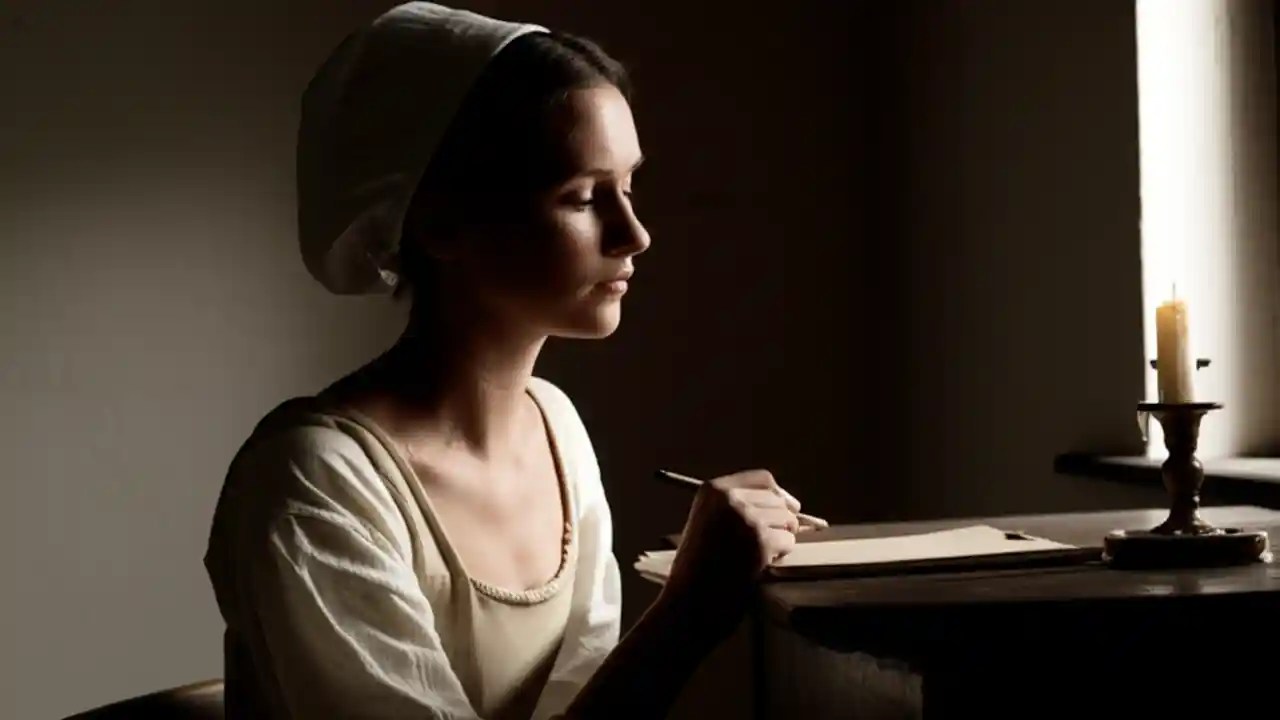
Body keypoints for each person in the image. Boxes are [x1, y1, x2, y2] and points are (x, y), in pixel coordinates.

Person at [203, 3, 808, 718]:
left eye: (630, 186)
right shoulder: (313, 485)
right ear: (439, 222)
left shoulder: (555, 426)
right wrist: (689, 611)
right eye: (581, 197)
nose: (634, 234)